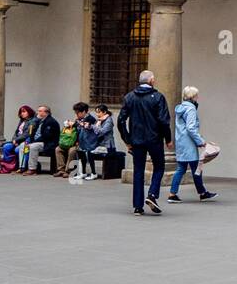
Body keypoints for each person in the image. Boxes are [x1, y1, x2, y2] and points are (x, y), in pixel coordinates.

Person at [118, 69, 171, 216]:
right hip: (154, 139)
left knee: (138, 171)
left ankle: (137, 207)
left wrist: (127, 140)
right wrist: (168, 139)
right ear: (151, 80)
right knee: (159, 167)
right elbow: (164, 121)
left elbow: (121, 120)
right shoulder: (158, 97)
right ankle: (152, 194)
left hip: (137, 140)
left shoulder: (129, 97)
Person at [168, 87, 216, 202]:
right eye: (196, 95)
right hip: (189, 143)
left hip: (181, 142)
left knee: (182, 168)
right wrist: (200, 141)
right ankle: (202, 193)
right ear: (192, 97)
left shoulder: (181, 108)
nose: (198, 97)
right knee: (195, 168)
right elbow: (190, 128)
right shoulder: (191, 109)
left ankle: (173, 194)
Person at [23, 104, 60, 175]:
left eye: (40, 111)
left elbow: (46, 136)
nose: (37, 113)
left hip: (49, 144)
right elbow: (32, 132)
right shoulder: (39, 121)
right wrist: (30, 141)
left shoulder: (50, 122)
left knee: (33, 147)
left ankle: (32, 169)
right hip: (41, 142)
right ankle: (23, 167)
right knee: (24, 146)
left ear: (46, 112)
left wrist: (33, 142)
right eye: (38, 111)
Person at [1, 105, 35, 173]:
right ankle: (9, 165)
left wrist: (17, 140)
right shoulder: (22, 121)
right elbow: (16, 132)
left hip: (25, 141)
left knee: (17, 150)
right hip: (16, 141)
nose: (22, 113)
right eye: (21, 112)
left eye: (24, 112)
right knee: (6, 147)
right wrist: (14, 140)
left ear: (29, 112)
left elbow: (27, 134)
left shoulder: (32, 121)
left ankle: (22, 166)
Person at [89, 105, 118, 178]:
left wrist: (94, 126)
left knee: (90, 153)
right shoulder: (99, 120)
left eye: (99, 112)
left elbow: (101, 132)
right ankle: (93, 173)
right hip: (99, 145)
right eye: (96, 112)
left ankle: (94, 173)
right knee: (86, 151)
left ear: (104, 112)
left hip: (108, 146)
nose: (97, 114)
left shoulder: (109, 121)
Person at [71, 101, 99, 179]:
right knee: (81, 155)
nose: (77, 115)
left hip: (90, 141)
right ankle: (83, 172)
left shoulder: (91, 119)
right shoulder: (79, 119)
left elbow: (92, 128)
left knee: (90, 156)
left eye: (78, 113)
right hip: (82, 140)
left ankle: (93, 173)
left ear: (84, 112)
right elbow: (77, 130)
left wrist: (80, 123)